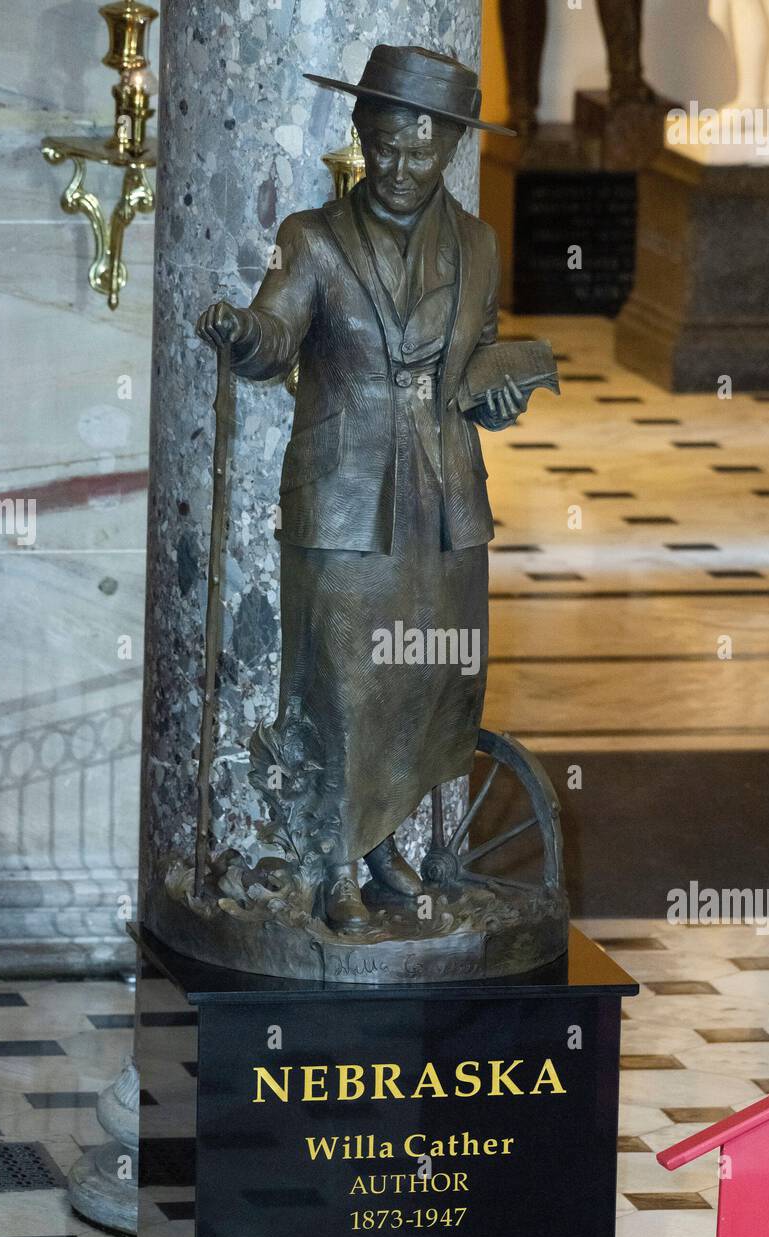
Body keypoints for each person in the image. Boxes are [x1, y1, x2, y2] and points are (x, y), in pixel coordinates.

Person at [196, 46, 537, 930]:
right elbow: (277, 335)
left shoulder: (478, 244)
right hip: (346, 505)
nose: (396, 166)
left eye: (419, 151)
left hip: (446, 505)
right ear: (362, 137)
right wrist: (244, 334)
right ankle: (332, 868)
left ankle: (387, 855)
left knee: (425, 687)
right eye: (382, 146)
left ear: (451, 148)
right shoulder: (312, 239)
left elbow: (482, 355)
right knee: (344, 687)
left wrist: (497, 395)